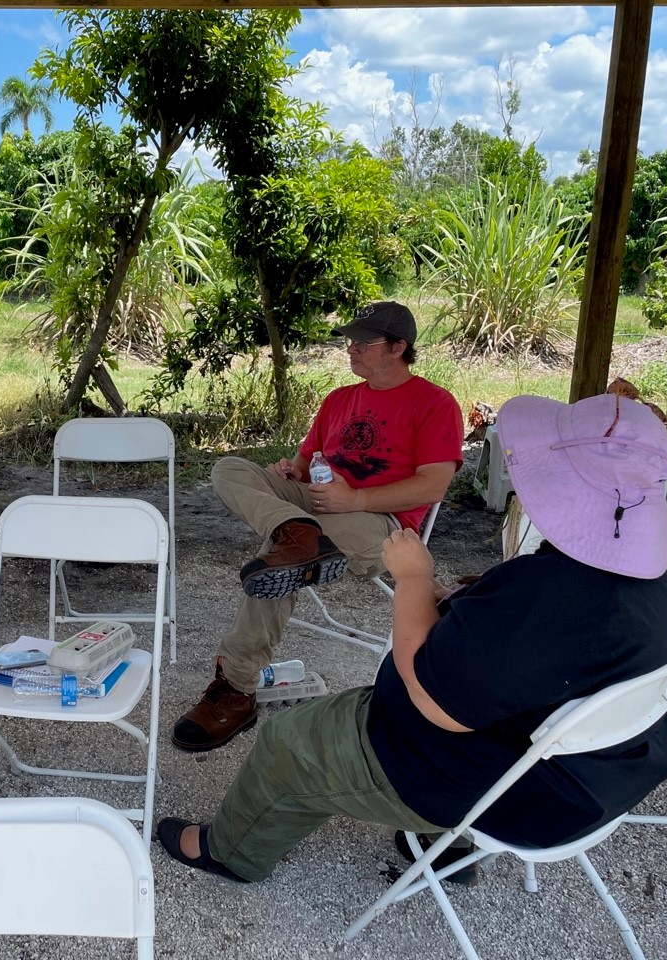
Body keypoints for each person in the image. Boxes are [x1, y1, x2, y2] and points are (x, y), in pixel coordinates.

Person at [156, 392, 667, 884]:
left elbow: (434, 700)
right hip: (584, 787)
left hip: (504, 794)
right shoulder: (662, 581)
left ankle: (230, 852)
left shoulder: (538, 597)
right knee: (502, 708)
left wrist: (415, 578)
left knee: (288, 741)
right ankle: (434, 842)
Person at [173, 301, 463, 752]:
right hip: (316, 506)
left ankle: (237, 687)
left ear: (398, 347)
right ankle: (294, 532)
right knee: (230, 468)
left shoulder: (435, 403)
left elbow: (434, 484)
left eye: (363, 343)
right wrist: (292, 472)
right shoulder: (339, 399)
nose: (351, 350)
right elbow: (309, 466)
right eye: (350, 342)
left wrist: (357, 498)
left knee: (281, 567)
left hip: (380, 522)